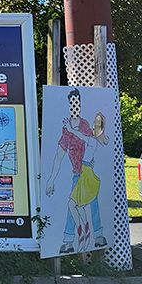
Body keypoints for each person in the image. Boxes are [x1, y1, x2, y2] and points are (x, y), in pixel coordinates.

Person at [45, 89, 108, 253]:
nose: (75, 106)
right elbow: (58, 156)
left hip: (86, 172)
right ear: (69, 105)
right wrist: (51, 180)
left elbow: (89, 141)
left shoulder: (85, 125)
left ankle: (97, 236)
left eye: (77, 103)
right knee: (74, 205)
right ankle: (70, 239)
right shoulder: (66, 132)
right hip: (77, 173)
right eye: (72, 103)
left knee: (90, 202)